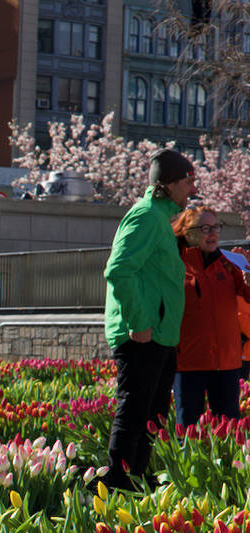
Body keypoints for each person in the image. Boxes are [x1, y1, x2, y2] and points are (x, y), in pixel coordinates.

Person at [99, 149, 196, 492]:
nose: (193, 188)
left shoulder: (159, 219)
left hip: (159, 335)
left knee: (152, 417)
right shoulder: (146, 216)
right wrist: (138, 322)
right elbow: (119, 270)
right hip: (142, 335)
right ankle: (117, 483)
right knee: (135, 412)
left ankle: (135, 482)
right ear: (168, 184)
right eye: (188, 181)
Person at [171, 207, 250, 427]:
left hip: (227, 362)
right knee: (188, 429)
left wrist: (248, 274)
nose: (213, 233)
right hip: (189, 363)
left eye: (216, 227)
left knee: (230, 429)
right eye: (205, 228)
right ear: (188, 233)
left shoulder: (229, 263)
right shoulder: (175, 263)